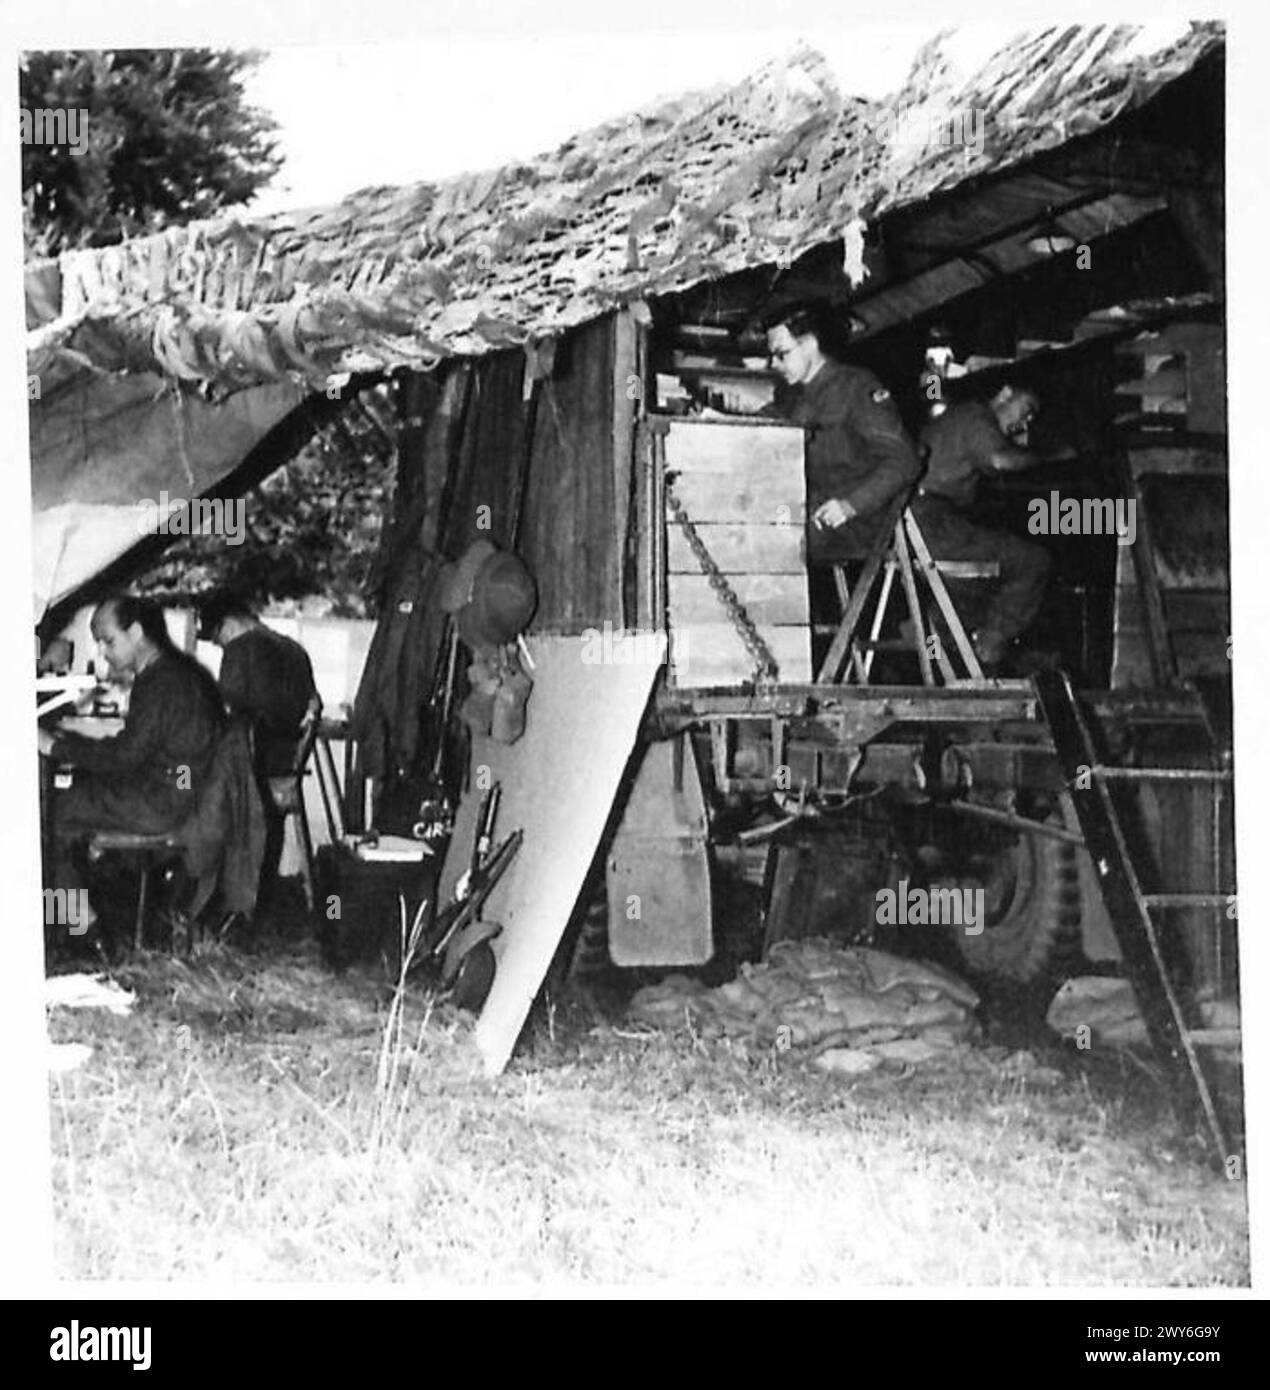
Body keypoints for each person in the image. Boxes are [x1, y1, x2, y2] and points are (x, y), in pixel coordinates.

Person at [38, 594, 225, 928]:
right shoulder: (173, 673)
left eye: (108, 641)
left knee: (48, 812)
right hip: (176, 790)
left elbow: (125, 756)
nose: (103, 653)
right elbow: (133, 749)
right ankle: (77, 914)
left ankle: (82, 928)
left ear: (136, 633)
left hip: (165, 800)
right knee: (74, 796)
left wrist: (54, 747)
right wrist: (67, 744)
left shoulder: (162, 681)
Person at [913, 382, 1069, 669]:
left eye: (1031, 419)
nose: (1024, 422)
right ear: (1006, 393)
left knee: (978, 589)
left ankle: (950, 648)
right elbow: (1000, 460)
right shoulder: (977, 417)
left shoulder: (959, 419)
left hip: (923, 523)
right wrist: (1053, 454)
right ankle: (989, 646)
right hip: (931, 522)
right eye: (1026, 410)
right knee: (1032, 562)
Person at [764, 301, 922, 565]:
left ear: (810, 344)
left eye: (781, 354)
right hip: (809, 510)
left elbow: (905, 461)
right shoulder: (795, 395)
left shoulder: (856, 388)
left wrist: (849, 505)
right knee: (754, 519)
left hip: (854, 522)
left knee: (765, 534)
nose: (774, 364)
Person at [199, 595, 320, 776]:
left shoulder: (240, 649)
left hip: (247, 766)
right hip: (286, 763)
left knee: (178, 766)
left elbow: (225, 709)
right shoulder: (295, 650)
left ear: (229, 623)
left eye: (217, 638)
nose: (219, 645)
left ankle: (178, 799)